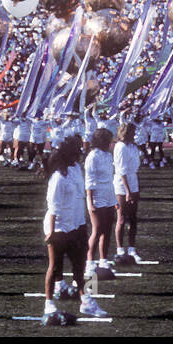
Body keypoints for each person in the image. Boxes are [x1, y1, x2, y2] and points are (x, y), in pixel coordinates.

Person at [42, 134, 106, 324]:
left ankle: (86, 301)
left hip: (77, 224)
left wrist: (82, 223)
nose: (79, 155)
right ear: (68, 154)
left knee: (80, 267)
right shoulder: (58, 178)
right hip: (60, 227)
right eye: (76, 152)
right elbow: (52, 207)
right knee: (54, 267)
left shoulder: (77, 169)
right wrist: (51, 233)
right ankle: (49, 303)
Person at [84, 127, 116, 279]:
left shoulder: (108, 155)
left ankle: (104, 261)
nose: (110, 143)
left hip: (109, 193)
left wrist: (114, 199)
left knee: (107, 229)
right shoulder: (92, 156)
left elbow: (110, 176)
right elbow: (89, 181)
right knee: (97, 230)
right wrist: (90, 202)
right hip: (97, 195)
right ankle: (90, 262)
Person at [114, 122, 143, 262]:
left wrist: (133, 188)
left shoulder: (133, 147)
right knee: (121, 218)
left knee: (133, 218)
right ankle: (120, 250)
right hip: (121, 186)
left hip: (133, 181)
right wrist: (127, 191)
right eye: (132, 132)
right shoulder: (120, 147)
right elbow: (121, 171)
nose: (134, 135)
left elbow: (135, 166)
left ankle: (132, 250)